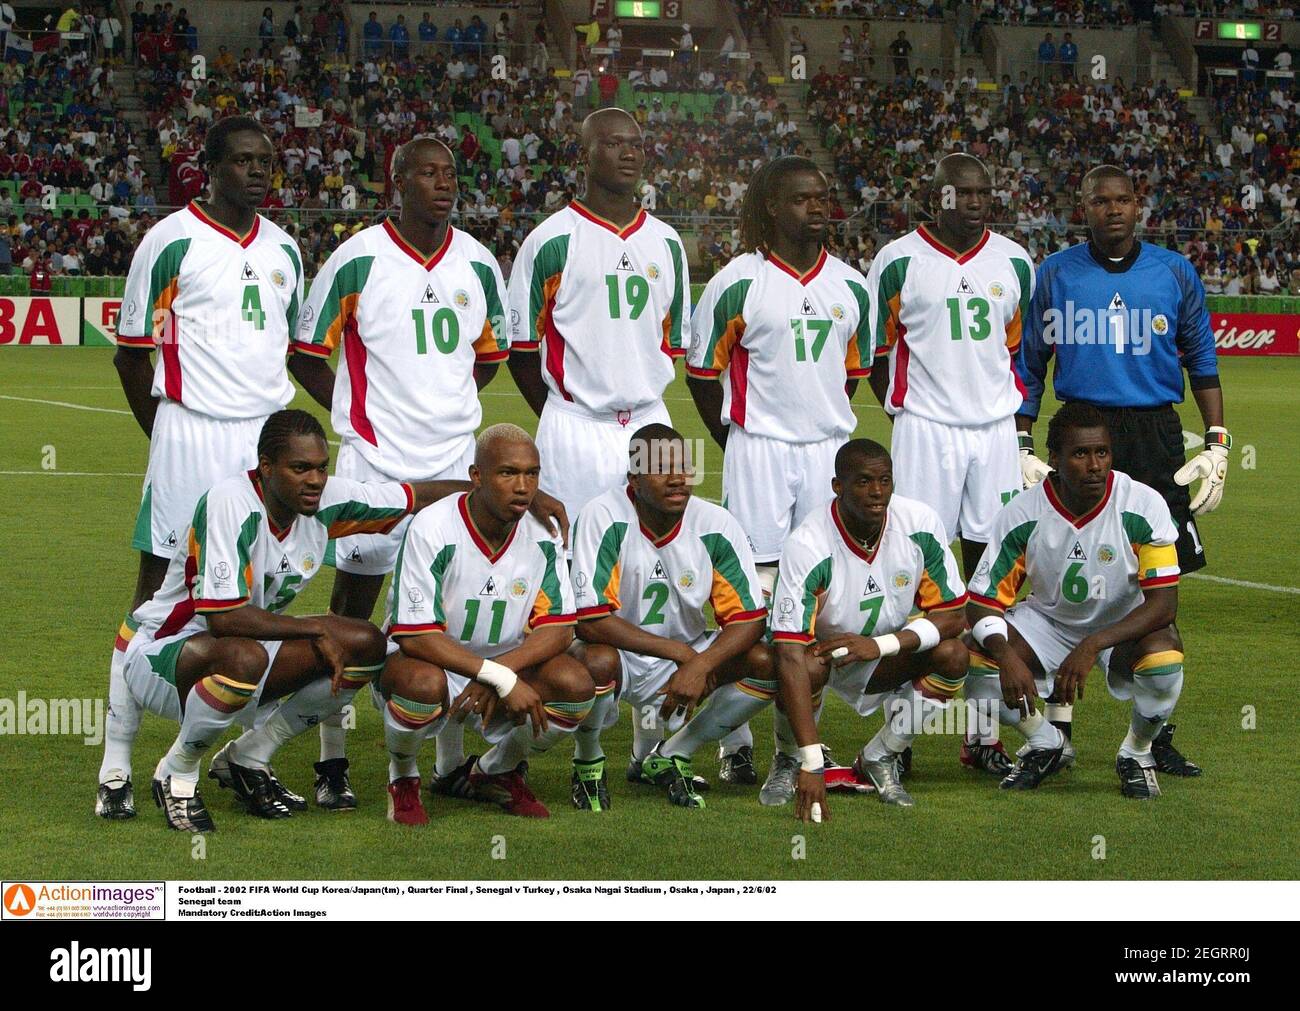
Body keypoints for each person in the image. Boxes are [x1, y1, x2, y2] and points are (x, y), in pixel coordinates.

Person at [291, 136, 567, 809]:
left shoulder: (476, 263)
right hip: (377, 462)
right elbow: (305, 353)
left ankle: (450, 761)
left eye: (450, 172)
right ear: (396, 180)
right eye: (426, 172)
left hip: (454, 460)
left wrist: (444, 409)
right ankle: (331, 762)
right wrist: (363, 415)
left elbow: (488, 355)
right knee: (353, 616)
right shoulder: (357, 259)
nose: (443, 183)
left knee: (454, 610)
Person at [96, 117, 310, 820]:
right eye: (243, 160)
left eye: (267, 161)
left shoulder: (285, 249)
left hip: (263, 441)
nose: (257, 171)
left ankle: (235, 756)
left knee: (258, 597)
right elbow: (131, 352)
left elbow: (290, 346)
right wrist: (166, 433)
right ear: (210, 168)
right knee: (157, 592)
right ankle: (117, 762)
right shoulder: (169, 241)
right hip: (191, 434)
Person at [125, 410, 465, 831]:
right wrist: (316, 627)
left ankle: (250, 755)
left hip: (249, 653)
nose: (315, 480)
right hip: (163, 660)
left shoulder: (326, 502)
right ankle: (177, 771)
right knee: (245, 656)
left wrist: (495, 489)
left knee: (365, 643)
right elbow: (222, 616)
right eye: (300, 468)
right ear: (265, 467)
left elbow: (416, 495)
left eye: (322, 467)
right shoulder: (231, 502)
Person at [1016, 165, 1224, 772]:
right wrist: (1023, 439)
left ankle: (1152, 733)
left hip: (1155, 433)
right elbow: (1032, 360)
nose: (1112, 210)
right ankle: (1058, 730)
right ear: (1081, 208)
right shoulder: (1055, 273)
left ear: (1140, 206)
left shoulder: (1174, 271)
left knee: (1162, 578)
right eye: (1100, 201)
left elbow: (1201, 356)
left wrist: (1216, 440)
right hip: (1082, 425)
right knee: (1056, 567)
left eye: (1123, 200)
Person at [686, 156, 872, 781]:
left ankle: (796, 747)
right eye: (801, 199)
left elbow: (852, 376)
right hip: (759, 452)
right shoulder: (737, 283)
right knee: (751, 602)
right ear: (771, 205)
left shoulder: (851, 285)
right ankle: (733, 742)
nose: (816, 208)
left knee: (810, 601)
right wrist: (739, 438)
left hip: (826, 455)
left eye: (822, 197)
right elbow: (703, 374)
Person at [865, 152, 1034, 777]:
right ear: (936, 196)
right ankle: (897, 738)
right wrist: (906, 412)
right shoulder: (897, 260)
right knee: (916, 579)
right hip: (925, 430)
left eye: (984, 191)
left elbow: (1011, 347)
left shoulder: (1015, 259)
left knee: (992, 582)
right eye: (963, 192)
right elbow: (881, 352)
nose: (976, 201)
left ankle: (983, 734)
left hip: (992, 431)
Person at [966, 404, 1186, 798]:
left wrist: (1093, 643)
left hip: (1122, 624)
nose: (1094, 465)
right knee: (973, 661)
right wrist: (1005, 654)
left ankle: (1136, 754)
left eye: (1101, 452)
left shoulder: (1143, 504)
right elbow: (981, 602)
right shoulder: (1022, 513)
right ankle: (1046, 742)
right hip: (1048, 623)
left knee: (1164, 658)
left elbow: (1163, 606)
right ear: (1054, 459)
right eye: (1080, 454)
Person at [379, 425, 591, 824]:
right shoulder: (434, 526)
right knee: (421, 686)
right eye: (508, 473)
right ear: (477, 476)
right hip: (428, 662)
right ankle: (403, 775)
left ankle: (495, 770)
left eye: (532, 474)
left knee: (575, 686)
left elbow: (560, 628)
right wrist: (499, 677)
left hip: (503, 661)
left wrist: (500, 672)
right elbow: (416, 635)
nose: (523, 486)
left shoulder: (543, 535)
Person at [569, 425, 770, 809]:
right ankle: (587, 762)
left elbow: (749, 618)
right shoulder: (602, 516)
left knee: (765, 661)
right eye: (662, 468)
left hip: (690, 651)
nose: (678, 478)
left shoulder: (716, 524)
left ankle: (672, 752)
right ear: (634, 478)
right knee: (594, 659)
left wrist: (700, 663)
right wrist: (679, 654)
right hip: (621, 654)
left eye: (684, 466)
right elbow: (590, 619)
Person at [506, 108, 690, 524]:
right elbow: (520, 352)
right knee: (571, 557)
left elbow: (670, 344)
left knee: (650, 554)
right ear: (583, 157)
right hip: (575, 428)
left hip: (650, 420)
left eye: (636, 145)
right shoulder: (550, 241)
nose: (629, 154)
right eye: (613, 143)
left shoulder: (667, 243)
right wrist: (565, 411)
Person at [768, 439, 969, 817]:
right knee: (801, 664)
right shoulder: (808, 543)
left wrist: (880, 646)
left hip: (883, 656)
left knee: (954, 655)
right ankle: (788, 758)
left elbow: (954, 616)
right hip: (824, 657)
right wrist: (813, 761)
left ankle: (879, 757)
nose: (877, 493)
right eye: (863, 482)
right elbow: (789, 654)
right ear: (837, 486)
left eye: (884, 480)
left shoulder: (919, 524)